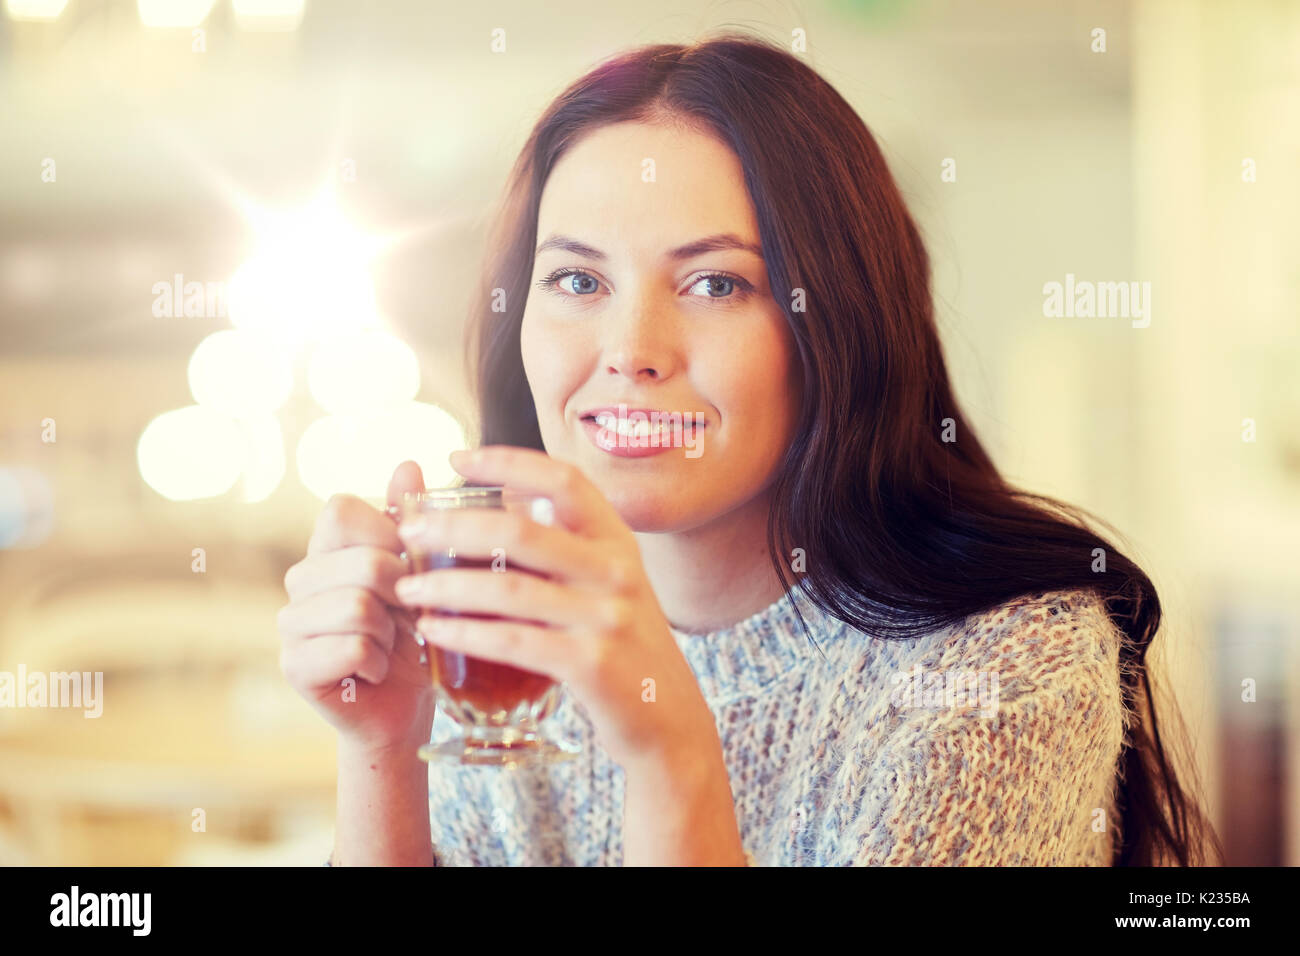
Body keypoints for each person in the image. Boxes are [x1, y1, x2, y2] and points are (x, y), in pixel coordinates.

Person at [277, 31, 1220, 866]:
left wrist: (667, 750)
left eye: (717, 285)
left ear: (836, 323)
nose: (633, 352)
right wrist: (384, 749)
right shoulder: (504, 644)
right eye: (574, 278)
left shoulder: (1006, 666)